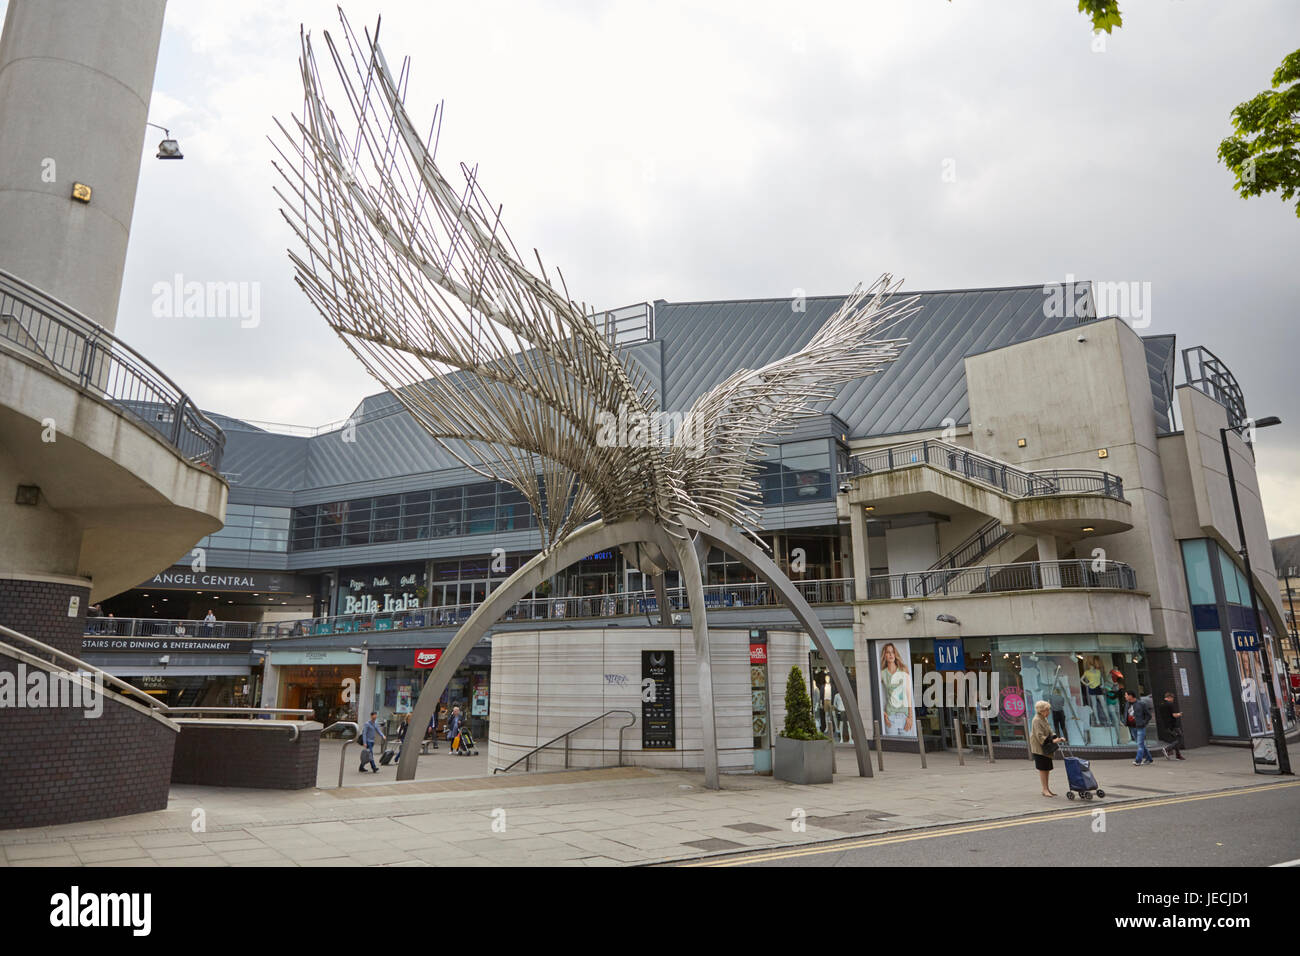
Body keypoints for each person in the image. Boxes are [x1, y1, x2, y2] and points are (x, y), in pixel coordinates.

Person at [1029, 700, 1065, 797]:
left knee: (1047, 768)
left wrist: (1056, 737)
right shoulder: (1037, 720)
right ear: (1041, 710)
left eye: (1048, 710)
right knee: (1042, 768)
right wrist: (1053, 741)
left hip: (1046, 747)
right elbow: (1040, 736)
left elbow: (1050, 731)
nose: (1048, 712)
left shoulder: (1044, 718)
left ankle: (1047, 788)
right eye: (1047, 710)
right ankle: (1044, 789)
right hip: (1039, 748)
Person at [879, 643, 913, 736]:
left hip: (904, 716)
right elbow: (874, 693)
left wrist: (910, 717)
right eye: (888, 652)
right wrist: (883, 714)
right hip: (890, 717)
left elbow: (909, 694)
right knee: (892, 749)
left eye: (893, 652)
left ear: (895, 654)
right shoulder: (882, 673)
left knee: (908, 747)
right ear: (884, 655)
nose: (891, 655)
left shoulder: (904, 669)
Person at [1124, 690, 1153, 765]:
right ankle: (1149, 759)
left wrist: (1143, 723)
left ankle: (1138, 761)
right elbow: (1126, 714)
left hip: (1140, 727)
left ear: (1131, 696)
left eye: (1126, 695)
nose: (1125, 697)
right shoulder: (1127, 704)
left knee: (1140, 744)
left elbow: (1148, 715)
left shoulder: (1141, 704)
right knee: (1141, 744)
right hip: (1132, 727)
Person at [1157, 691, 1185, 760]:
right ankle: (1167, 749)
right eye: (1172, 698)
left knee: (1175, 739)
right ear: (1169, 697)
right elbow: (1174, 715)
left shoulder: (1161, 704)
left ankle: (1178, 755)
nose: (1173, 700)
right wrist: (1179, 714)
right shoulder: (1170, 704)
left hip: (1166, 725)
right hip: (1173, 724)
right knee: (1180, 738)